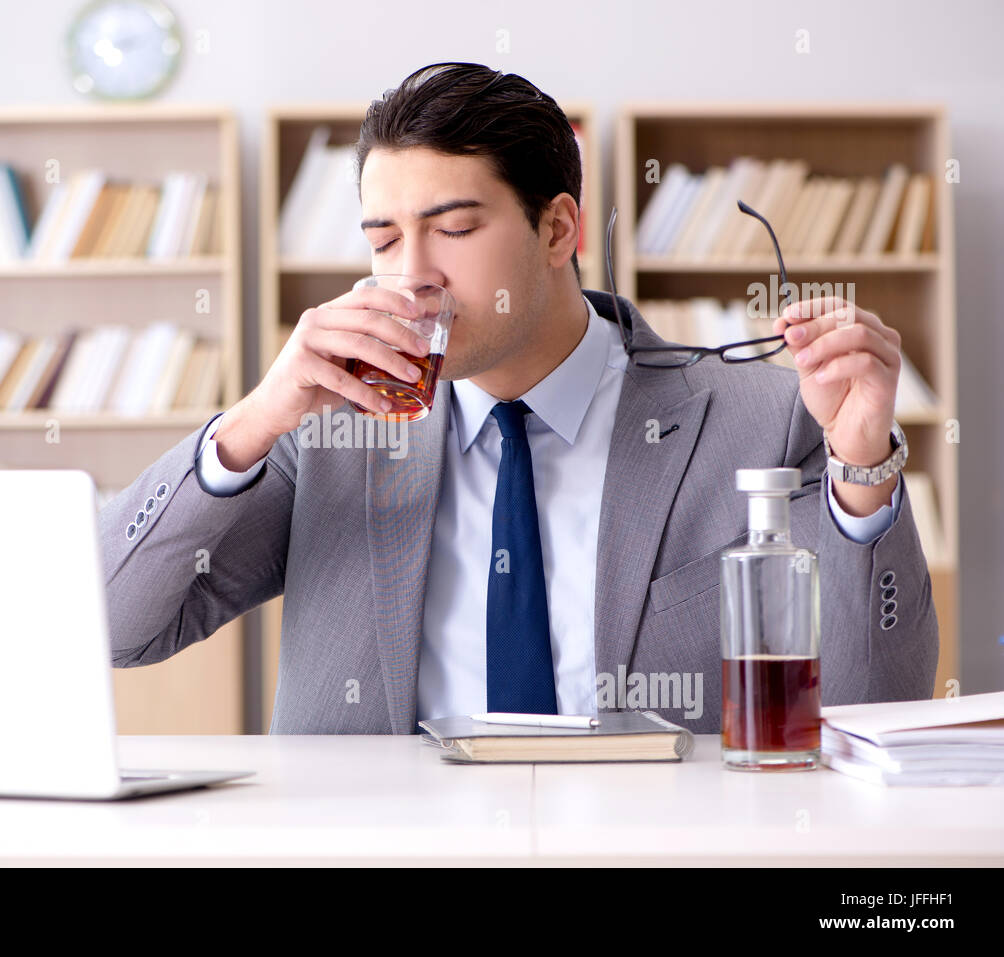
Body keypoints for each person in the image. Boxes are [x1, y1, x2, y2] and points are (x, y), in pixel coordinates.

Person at [99, 62, 937, 733]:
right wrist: (250, 423)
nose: (412, 272)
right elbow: (115, 625)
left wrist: (862, 466)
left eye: (454, 229)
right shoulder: (323, 429)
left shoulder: (762, 419)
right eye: (383, 239)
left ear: (558, 231)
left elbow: (874, 704)